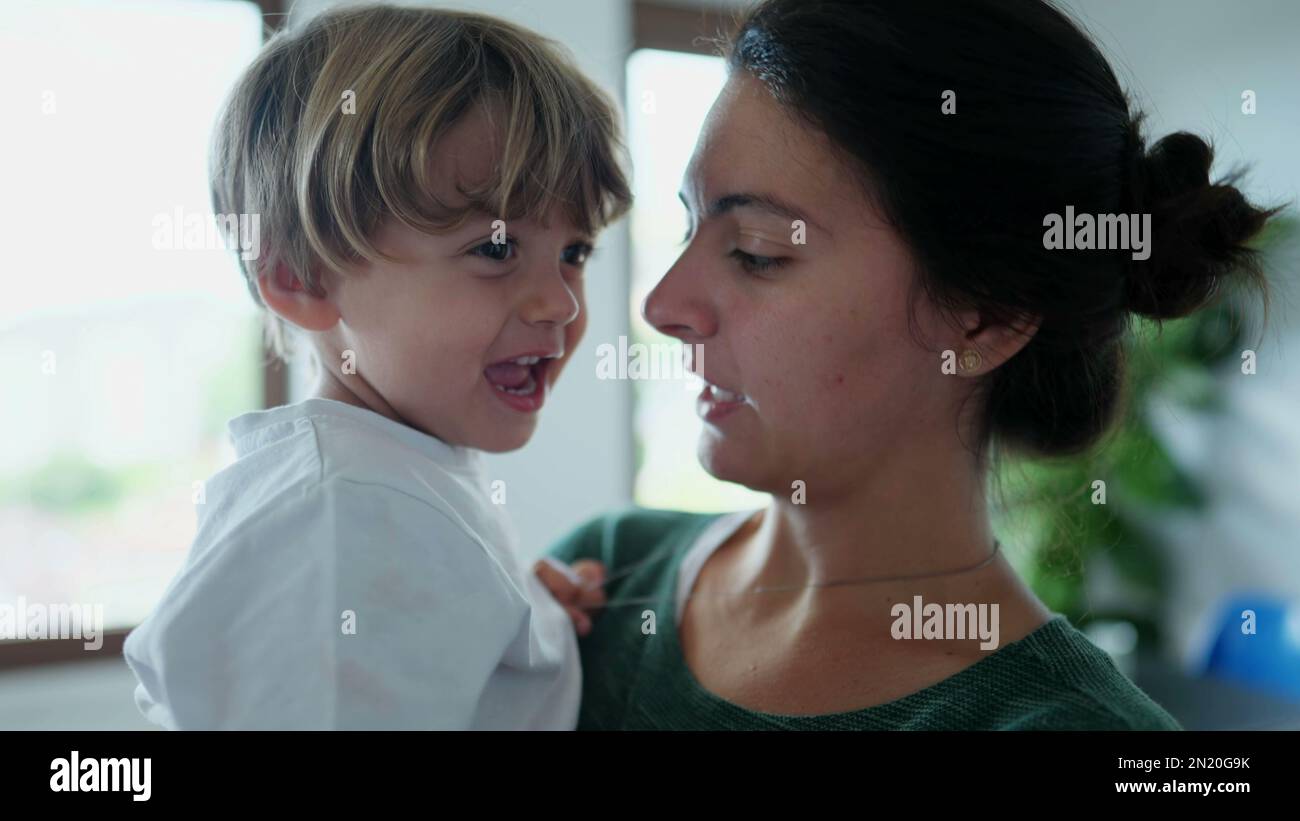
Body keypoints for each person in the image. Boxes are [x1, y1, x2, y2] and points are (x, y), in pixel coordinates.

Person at [541, 0, 1279, 729]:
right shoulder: (598, 589)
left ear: (986, 317)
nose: (663, 304)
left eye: (756, 252)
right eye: (688, 225)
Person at [124, 4, 629, 729]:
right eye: (495, 249)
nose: (561, 302)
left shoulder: (387, 491)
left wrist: (524, 616)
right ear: (303, 278)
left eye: (574, 252)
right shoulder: (341, 516)